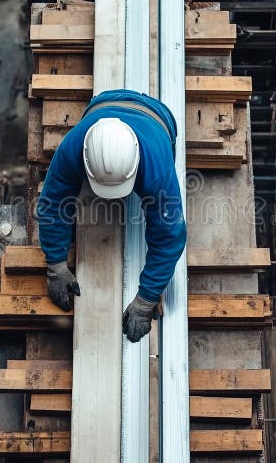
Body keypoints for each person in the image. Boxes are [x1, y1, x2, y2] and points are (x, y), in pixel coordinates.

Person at [36, 89, 187, 343]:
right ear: (85, 157)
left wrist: (146, 299)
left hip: (159, 117)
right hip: (101, 103)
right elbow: (53, 203)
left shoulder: (157, 168)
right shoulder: (74, 146)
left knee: (163, 218)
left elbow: (169, 236)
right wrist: (55, 264)